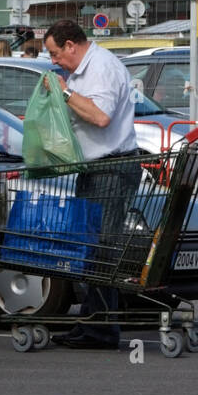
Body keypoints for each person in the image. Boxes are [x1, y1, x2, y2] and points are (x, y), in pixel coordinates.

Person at [43, 20, 139, 350]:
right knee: (94, 248)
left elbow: (100, 117)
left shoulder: (101, 68)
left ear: (71, 45)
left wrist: (66, 92)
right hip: (96, 167)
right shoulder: (84, 69)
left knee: (103, 248)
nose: (54, 60)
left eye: (55, 53)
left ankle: (101, 328)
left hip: (112, 168)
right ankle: (93, 322)